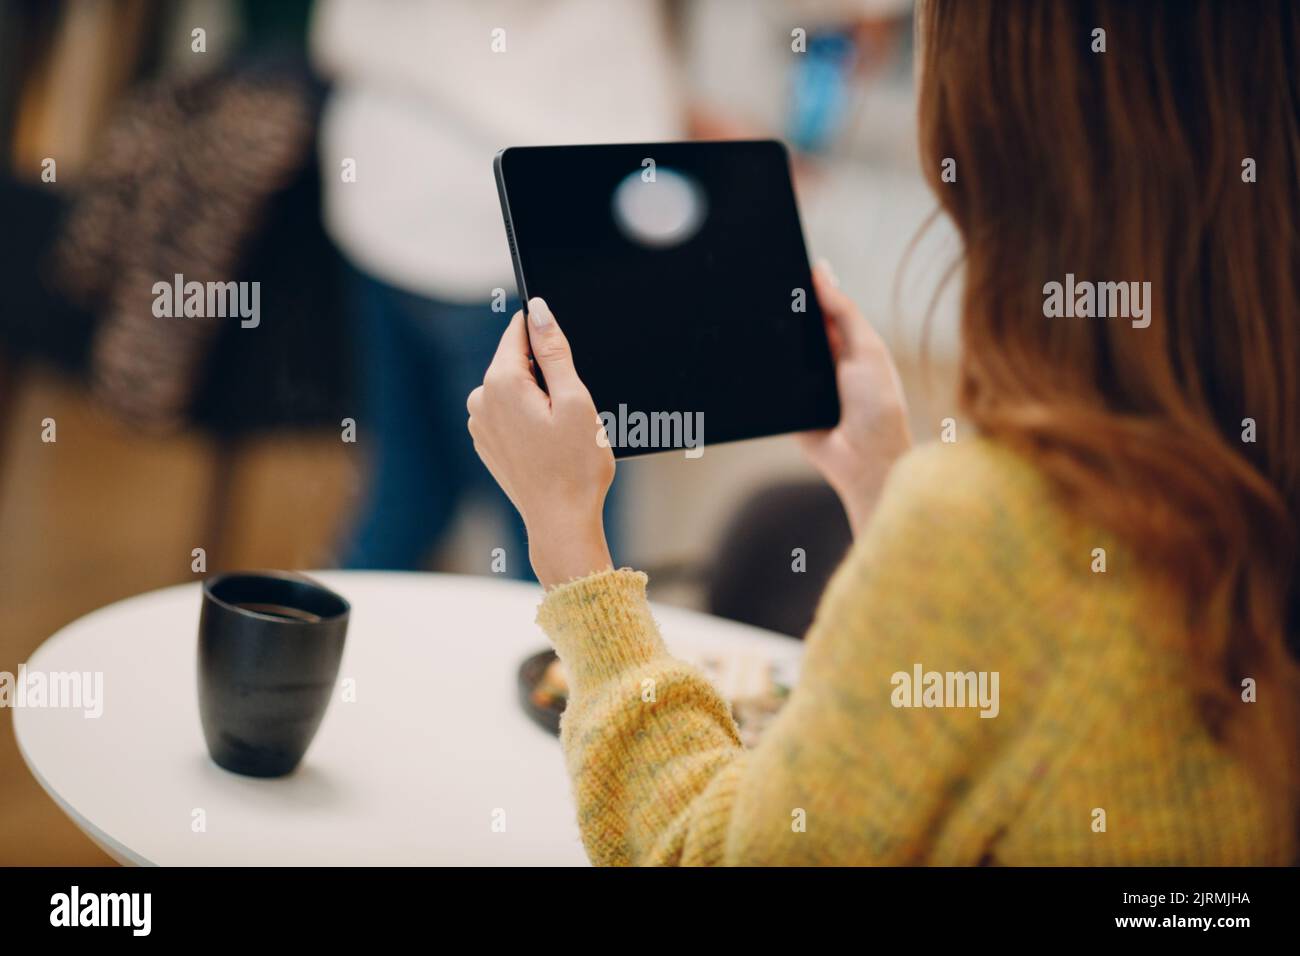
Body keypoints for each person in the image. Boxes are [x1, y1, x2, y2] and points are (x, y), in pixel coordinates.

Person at [466, 0, 1300, 864]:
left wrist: (572, 551)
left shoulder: (999, 522)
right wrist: (884, 488)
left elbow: (703, 854)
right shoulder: (1242, 459)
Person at [311, 0, 681, 572]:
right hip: (520, 229)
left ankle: (319, 656)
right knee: (564, 534)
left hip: (393, 185)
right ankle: (592, 660)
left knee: (405, 499)